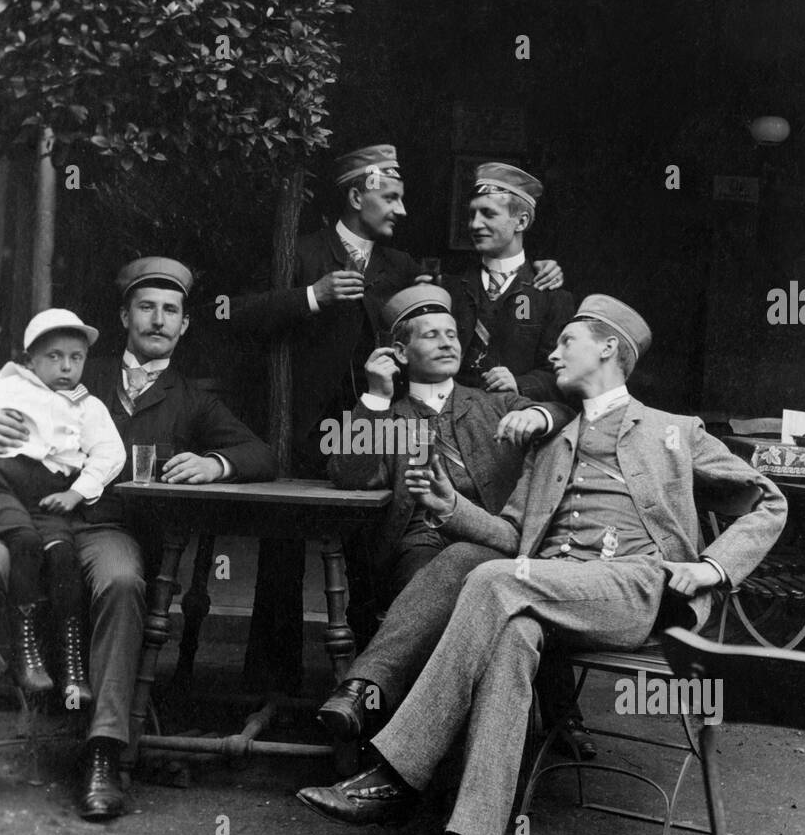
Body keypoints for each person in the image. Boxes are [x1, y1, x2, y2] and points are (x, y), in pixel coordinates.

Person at [297, 296, 787, 835]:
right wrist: (451, 507)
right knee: (509, 636)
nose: (551, 354)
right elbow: (509, 535)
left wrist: (713, 566)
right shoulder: (554, 444)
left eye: (567, 342)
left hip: (634, 586)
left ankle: (396, 773)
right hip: (552, 586)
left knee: (498, 583)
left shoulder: (675, 430)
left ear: (607, 348)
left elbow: (770, 503)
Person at [0, 258, 276, 822]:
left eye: (170, 311)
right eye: (145, 307)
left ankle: (105, 748)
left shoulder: (192, 400)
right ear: (124, 316)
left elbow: (262, 454)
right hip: (25, 516)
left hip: (108, 527)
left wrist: (215, 463)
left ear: (185, 326)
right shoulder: (77, 366)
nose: (157, 320)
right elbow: (0, 403)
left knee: (122, 579)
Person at [228, 145, 564, 689]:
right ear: (357, 195)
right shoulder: (298, 249)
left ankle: (375, 680)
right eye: (390, 198)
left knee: (375, 551)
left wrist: (541, 268)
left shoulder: (402, 266)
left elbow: (447, 317)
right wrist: (309, 295)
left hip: (393, 427)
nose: (402, 211)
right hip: (313, 424)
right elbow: (238, 314)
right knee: (288, 548)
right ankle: (275, 679)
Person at [323, 283, 570, 742]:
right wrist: (375, 396)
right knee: (424, 584)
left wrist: (540, 416)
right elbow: (349, 473)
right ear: (399, 351)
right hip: (419, 542)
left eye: (452, 334)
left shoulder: (494, 403)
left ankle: (372, 700)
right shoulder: (386, 416)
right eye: (431, 335)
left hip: (491, 538)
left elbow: (566, 414)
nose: (447, 343)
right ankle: (436, 741)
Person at [0, 309, 125, 704]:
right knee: (22, 540)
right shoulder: (3, 390)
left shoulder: (88, 407)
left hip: (47, 495)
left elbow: (111, 453)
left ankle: (71, 665)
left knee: (63, 555)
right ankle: (25, 653)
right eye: (54, 356)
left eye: (76, 357)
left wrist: (78, 492)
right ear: (30, 359)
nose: (66, 366)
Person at [444, 162, 576, 401]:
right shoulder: (448, 286)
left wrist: (520, 383)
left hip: (513, 418)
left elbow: (560, 372)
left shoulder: (552, 296)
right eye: (472, 214)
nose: (474, 224)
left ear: (522, 222)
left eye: (488, 214)